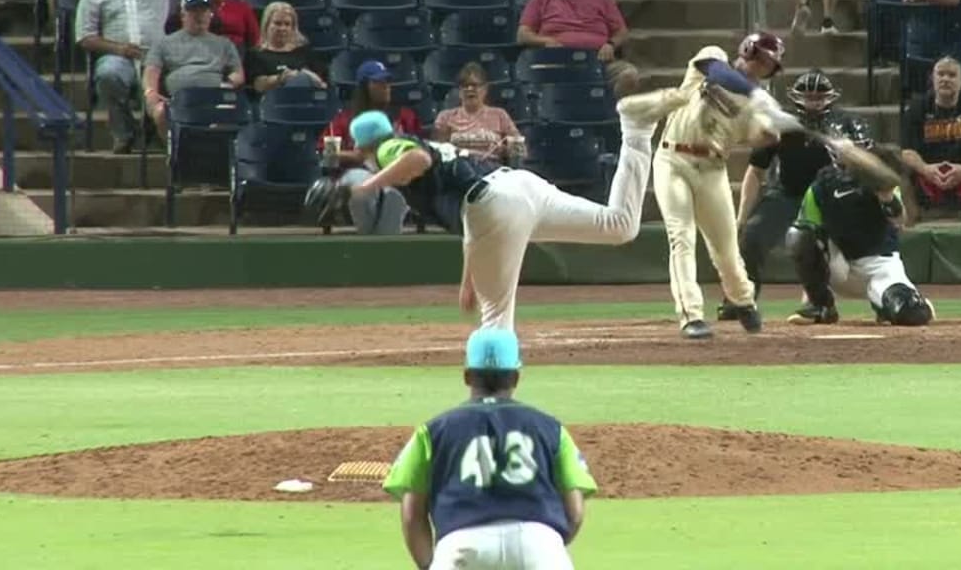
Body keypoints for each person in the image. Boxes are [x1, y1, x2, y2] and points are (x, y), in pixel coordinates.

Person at [332, 93, 664, 331]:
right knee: (619, 225)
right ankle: (636, 131)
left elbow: (417, 161)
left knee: (495, 321)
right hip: (518, 186)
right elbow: (471, 227)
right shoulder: (409, 145)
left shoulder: (388, 149)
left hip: (493, 204)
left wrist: (364, 187)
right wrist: (469, 279)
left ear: (365, 147)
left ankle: (494, 412)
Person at [619, 32, 801, 339]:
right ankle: (691, 315)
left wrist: (773, 130)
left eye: (769, 66)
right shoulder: (713, 57)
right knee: (681, 237)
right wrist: (757, 97)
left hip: (712, 168)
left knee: (726, 247)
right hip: (672, 159)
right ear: (748, 50)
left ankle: (743, 300)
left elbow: (759, 137)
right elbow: (719, 74)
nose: (762, 68)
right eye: (762, 59)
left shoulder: (757, 105)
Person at [383, 327, 596, 570]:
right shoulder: (552, 429)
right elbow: (575, 511)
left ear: (466, 376)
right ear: (516, 377)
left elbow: (412, 515)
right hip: (538, 542)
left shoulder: (431, 431)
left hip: (462, 544)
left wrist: (432, 565)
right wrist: (548, 547)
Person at [786, 120, 935, 327]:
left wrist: (886, 196)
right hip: (839, 267)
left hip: (879, 265)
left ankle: (897, 302)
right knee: (798, 234)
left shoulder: (880, 175)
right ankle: (820, 305)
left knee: (909, 313)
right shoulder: (822, 184)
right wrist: (810, 293)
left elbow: (900, 220)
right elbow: (808, 236)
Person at [727, 68, 843, 320]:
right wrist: (742, 217)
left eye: (819, 96)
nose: (814, 101)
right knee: (752, 236)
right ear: (796, 97)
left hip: (827, 198)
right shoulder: (780, 126)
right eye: (808, 96)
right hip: (786, 194)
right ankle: (743, 298)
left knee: (813, 244)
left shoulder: (843, 125)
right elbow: (755, 171)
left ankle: (816, 301)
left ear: (830, 97)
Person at [74, 0, 178, 153]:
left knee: (179, 76)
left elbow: (182, 14)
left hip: (156, 56)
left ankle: (156, 132)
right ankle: (124, 133)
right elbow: (86, 38)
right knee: (109, 74)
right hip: (117, 55)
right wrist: (120, 49)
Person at [516, 0, 637, 96]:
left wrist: (611, 45)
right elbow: (522, 35)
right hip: (557, 64)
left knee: (628, 74)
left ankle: (607, 114)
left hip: (597, 63)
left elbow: (622, 32)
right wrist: (545, 41)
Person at [899, 57, 961, 228]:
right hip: (928, 174)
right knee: (901, 173)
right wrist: (925, 169)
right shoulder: (917, 108)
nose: (945, 79)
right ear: (933, 79)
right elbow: (907, 151)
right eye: (941, 74)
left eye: (952, 75)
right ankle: (908, 233)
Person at [320, 60, 417, 235]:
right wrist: (355, 155)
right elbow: (327, 154)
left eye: (387, 82)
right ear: (364, 87)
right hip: (356, 172)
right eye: (379, 82)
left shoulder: (403, 117)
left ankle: (381, 246)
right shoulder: (345, 119)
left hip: (393, 172)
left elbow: (418, 150)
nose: (386, 87)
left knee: (391, 196)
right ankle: (373, 243)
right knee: (363, 189)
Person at [142, 0, 246, 135]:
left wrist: (228, 83)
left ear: (210, 15)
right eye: (193, 11)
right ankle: (175, 154)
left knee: (234, 113)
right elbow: (151, 70)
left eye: (204, 11)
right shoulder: (164, 43)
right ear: (183, 15)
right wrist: (151, 91)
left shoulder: (224, 44)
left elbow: (238, 73)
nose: (199, 16)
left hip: (214, 98)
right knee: (160, 112)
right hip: (179, 101)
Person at [432, 61, 525, 163]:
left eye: (475, 85)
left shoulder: (499, 115)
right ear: (459, 91)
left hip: (493, 170)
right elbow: (438, 151)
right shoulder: (445, 117)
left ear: (485, 89)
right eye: (465, 86)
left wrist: (505, 150)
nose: (470, 89)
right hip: (459, 170)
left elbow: (520, 150)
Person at [247, 1, 327, 94]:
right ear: (267, 25)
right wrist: (281, 78)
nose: (282, 28)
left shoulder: (305, 51)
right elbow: (258, 85)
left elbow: (322, 83)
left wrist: (305, 75)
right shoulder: (255, 54)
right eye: (277, 23)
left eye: (287, 24)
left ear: (293, 28)